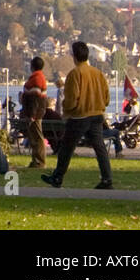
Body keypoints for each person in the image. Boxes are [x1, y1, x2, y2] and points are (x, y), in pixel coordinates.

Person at [42, 40, 112, 189]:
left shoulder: (75, 74)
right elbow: (106, 98)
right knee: (100, 148)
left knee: (67, 148)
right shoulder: (98, 73)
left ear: (74, 56)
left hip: (80, 116)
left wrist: (68, 110)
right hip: (97, 115)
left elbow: (72, 99)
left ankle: (58, 177)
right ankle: (107, 178)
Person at [21, 56, 49, 169]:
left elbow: (34, 100)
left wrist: (32, 115)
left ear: (32, 66)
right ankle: (35, 160)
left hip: (34, 114)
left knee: (37, 137)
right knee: (34, 137)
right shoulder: (39, 78)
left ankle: (40, 161)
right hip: (35, 113)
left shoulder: (36, 79)